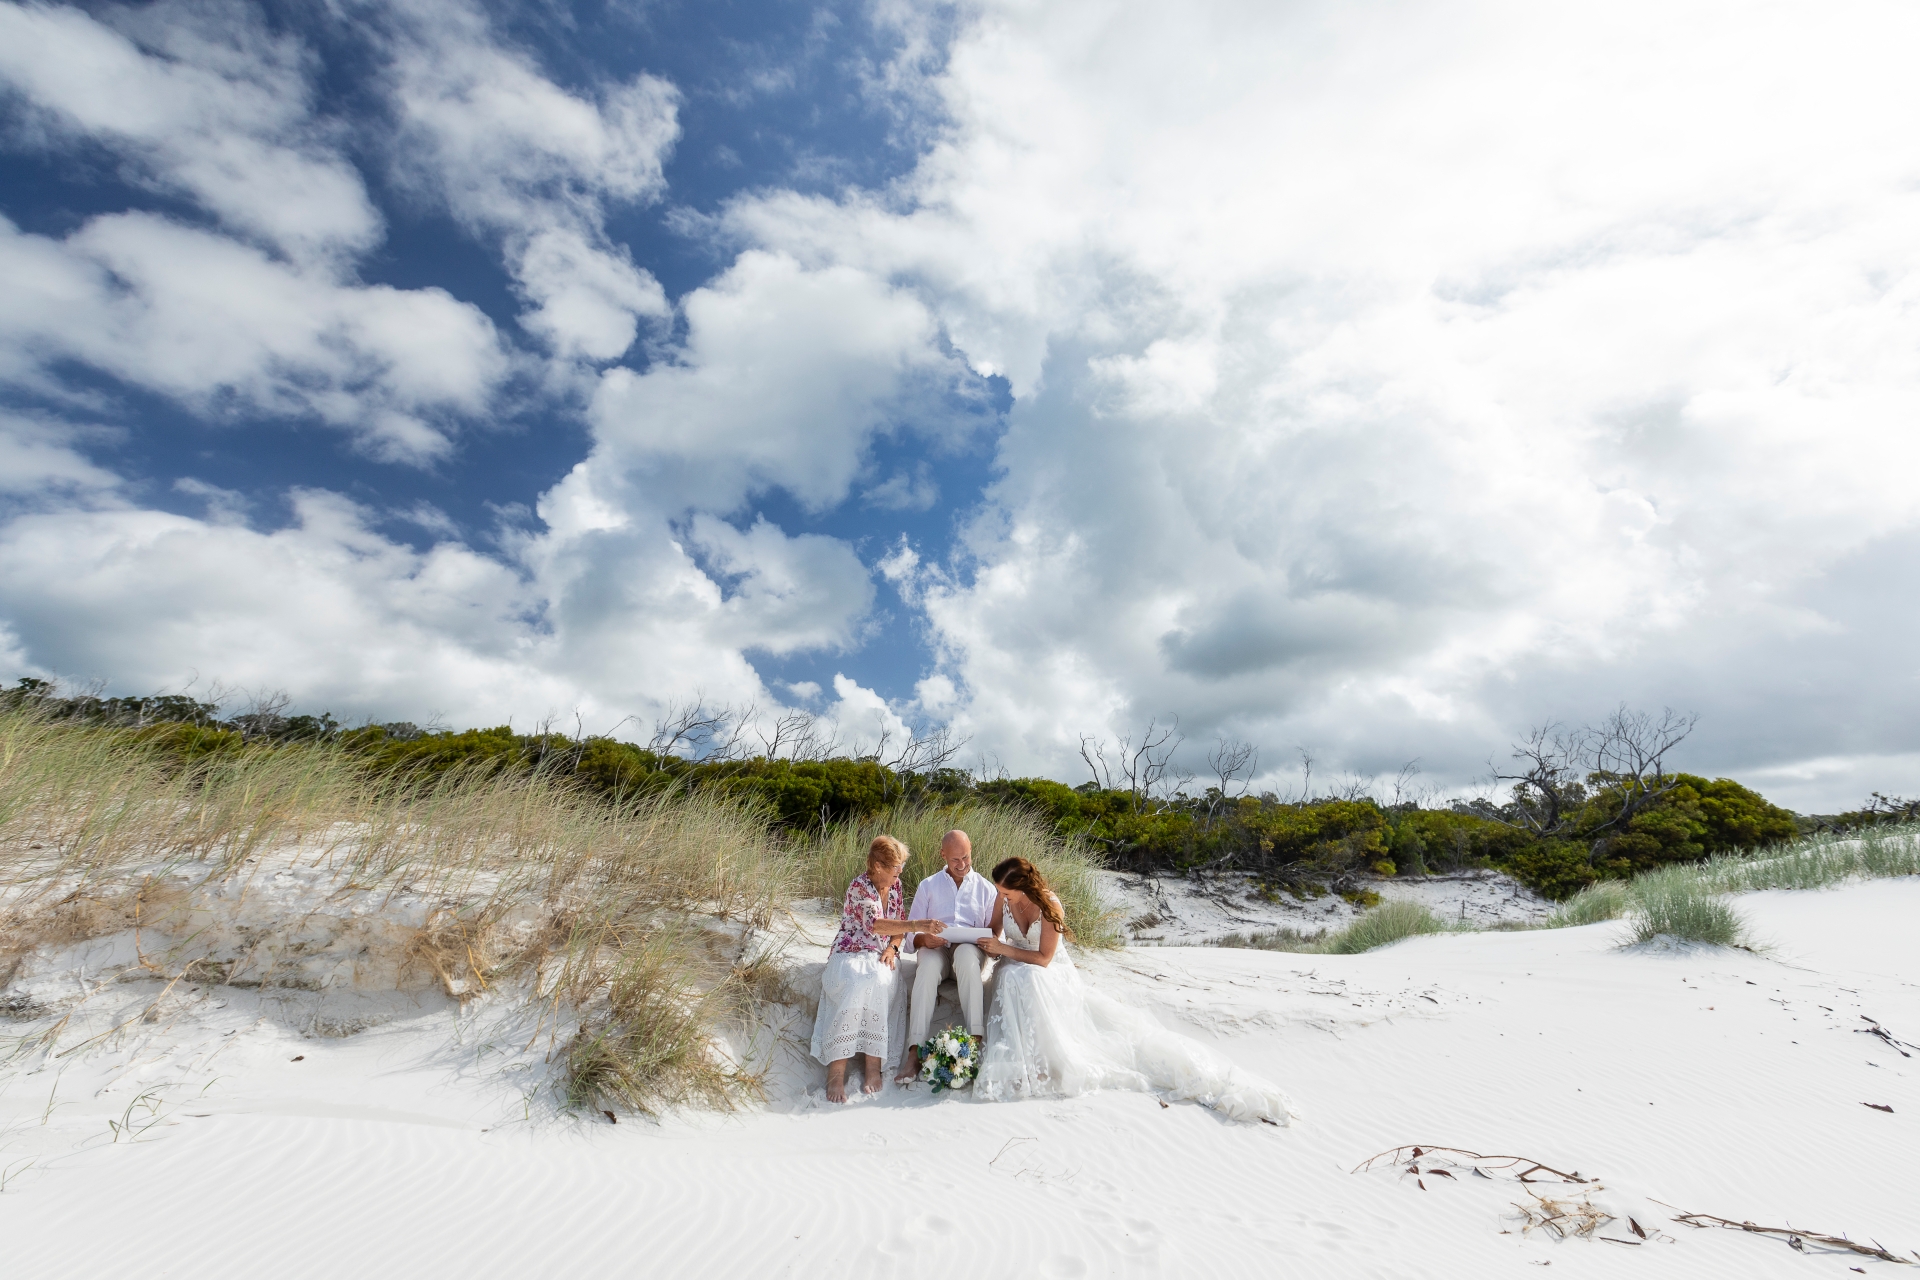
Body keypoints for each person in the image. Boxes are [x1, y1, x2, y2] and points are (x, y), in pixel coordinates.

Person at [973, 857, 1295, 1124]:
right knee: (1012, 977)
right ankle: (1023, 1059)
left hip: (1049, 973)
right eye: (1001, 893)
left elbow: (1044, 959)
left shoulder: (1049, 905)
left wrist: (1004, 948)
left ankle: (1049, 1061)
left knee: (1028, 979)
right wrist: (986, 947)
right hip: (1017, 967)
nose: (1003, 898)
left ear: (1025, 888)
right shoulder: (1004, 902)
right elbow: (994, 933)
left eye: (1008, 893)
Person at [811, 836, 948, 1103]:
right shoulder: (859, 887)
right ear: (877, 865)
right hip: (850, 951)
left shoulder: (895, 887)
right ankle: (836, 1071)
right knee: (855, 984)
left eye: (901, 867)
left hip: (879, 954)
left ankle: (873, 1065)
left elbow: (895, 930)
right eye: (895, 867)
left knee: (880, 980)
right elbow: (877, 925)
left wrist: (893, 948)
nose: (899, 873)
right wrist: (917, 924)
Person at [895, 829, 999, 1084]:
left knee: (964, 953)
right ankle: (914, 1054)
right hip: (936, 950)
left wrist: (984, 940)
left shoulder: (986, 889)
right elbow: (912, 936)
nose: (962, 865)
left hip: (970, 953)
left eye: (966, 857)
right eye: (955, 860)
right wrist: (924, 939)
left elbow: (996, 937)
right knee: (928, 965)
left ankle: (974, 1043)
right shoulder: (928, 885)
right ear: (943, 855)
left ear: (971, 850)